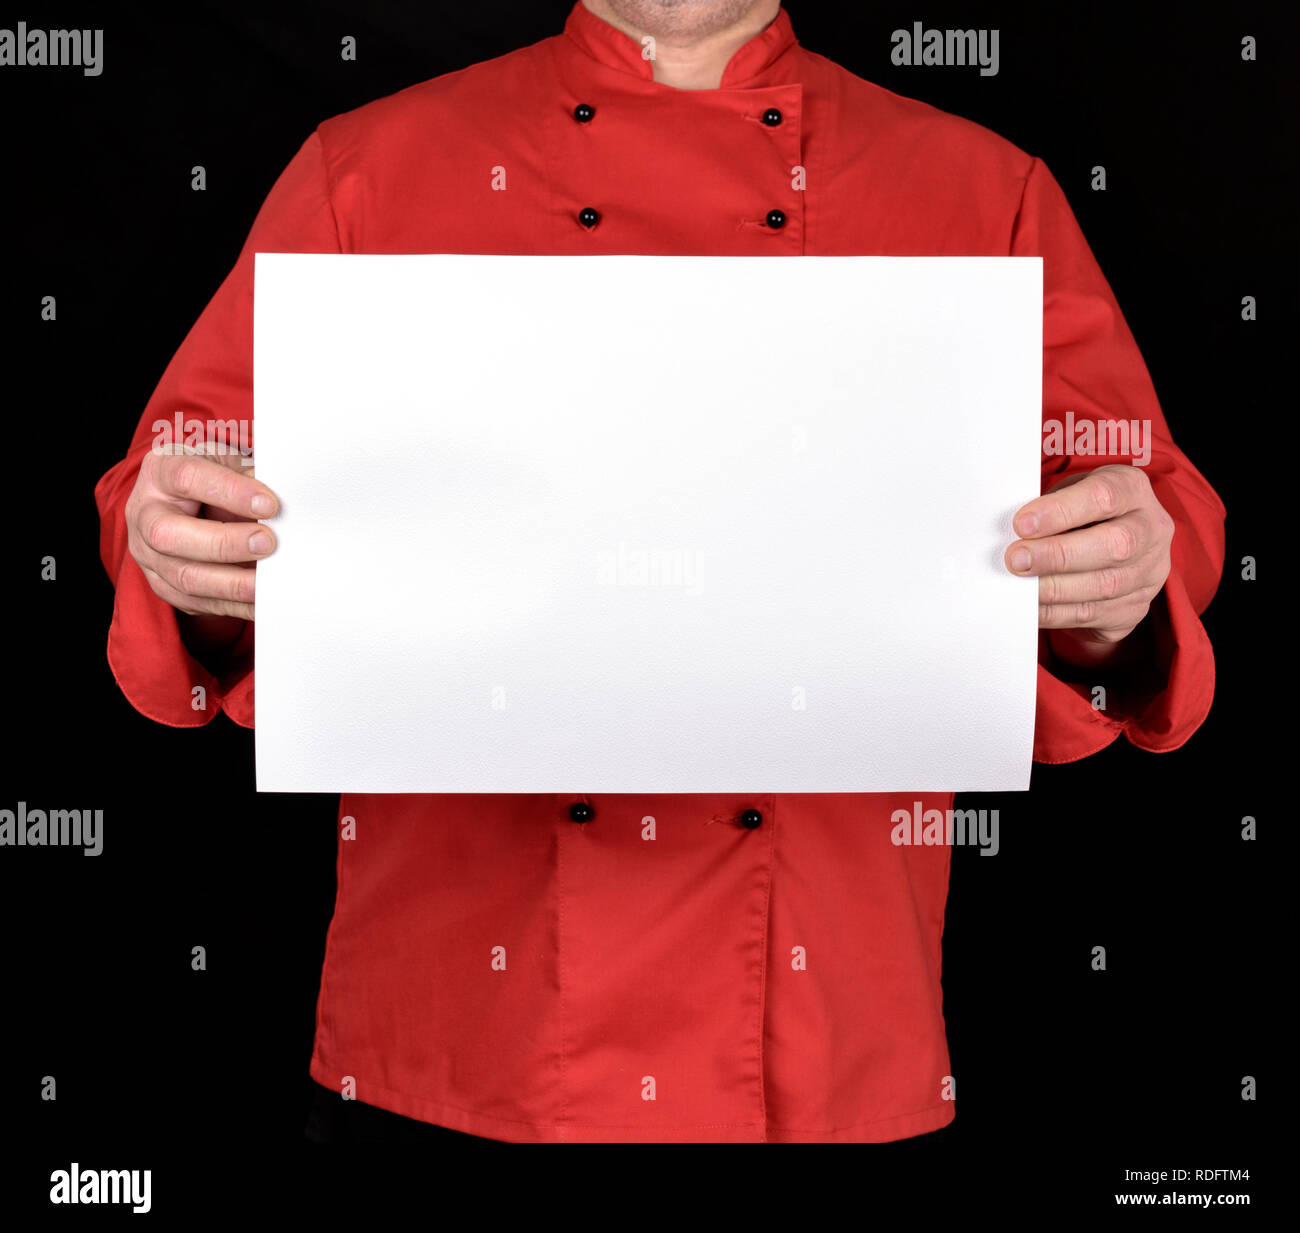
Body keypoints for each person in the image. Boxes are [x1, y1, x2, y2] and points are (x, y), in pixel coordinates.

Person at [94, 0, 1225, 1142]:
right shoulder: (364, 167)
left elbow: (1138, 510)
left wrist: (1111, 590)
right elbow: (188, 472)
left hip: (823, 1040)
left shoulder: (982, 190)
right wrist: (186, 546)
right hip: (456, 1042)